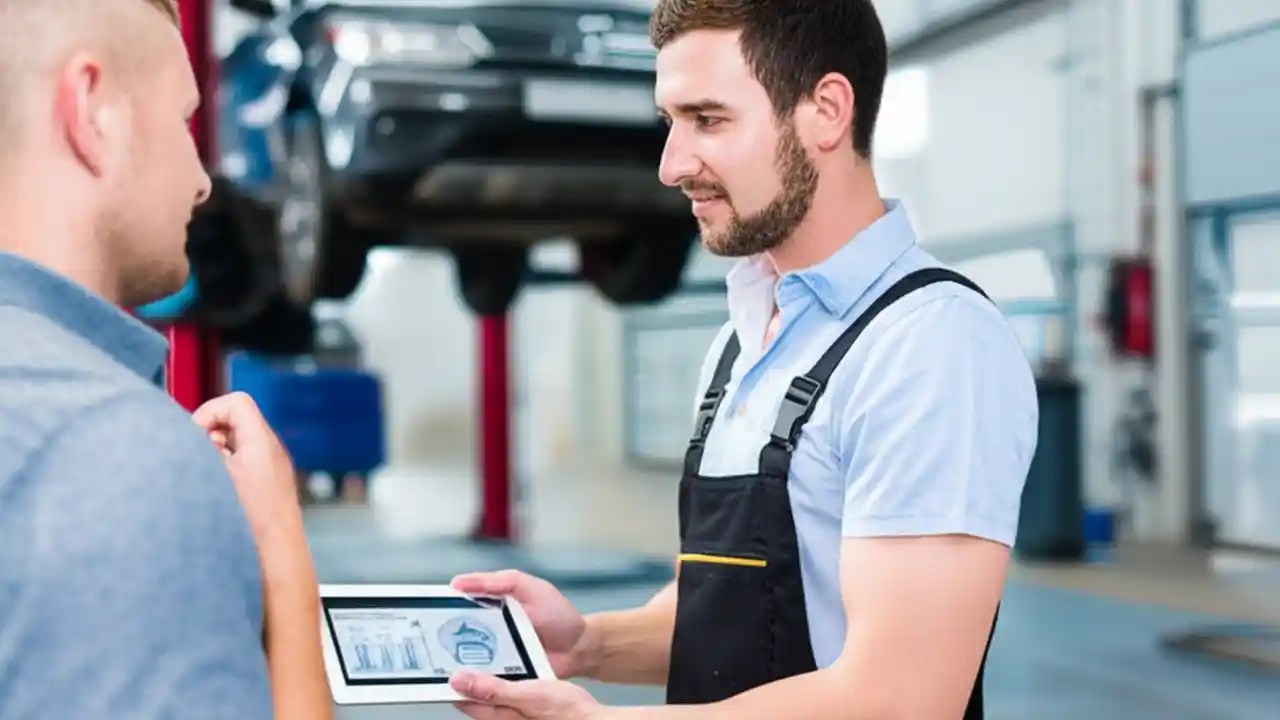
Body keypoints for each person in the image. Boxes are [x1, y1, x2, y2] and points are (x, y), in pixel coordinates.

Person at [447, 1, 1039, 718]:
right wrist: (585, 644)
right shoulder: (743, 339)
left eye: (709, 119)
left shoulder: (930, 344)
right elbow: (724, 610)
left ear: (825, 110)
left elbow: (900, 697)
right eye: (670, 122)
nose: (670, 166)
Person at [0, 1, 331, 717]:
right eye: (184, 121)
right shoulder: (109, 451)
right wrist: (284, 572)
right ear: (92, 111)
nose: (203, 180)